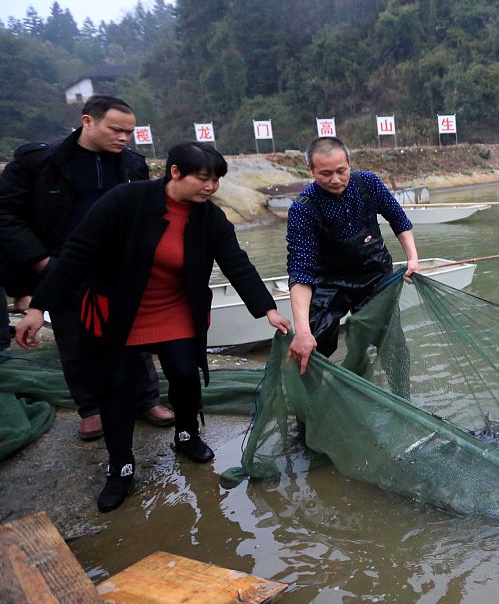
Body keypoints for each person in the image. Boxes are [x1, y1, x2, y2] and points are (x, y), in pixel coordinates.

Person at [15, 142, 291, 512]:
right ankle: (121, 466)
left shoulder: (209, 217)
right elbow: (77, 253)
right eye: (203, 178)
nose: (211, 187)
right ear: (175, 172)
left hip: (175, 307)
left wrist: (267, 309)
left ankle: (187, 434)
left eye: (216, 180)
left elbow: (235, 262)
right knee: (117, 385)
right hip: (120, 310)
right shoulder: (125, 201)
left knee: (185, 374)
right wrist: (38, 307)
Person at [0, 95, 171, 439]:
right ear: (88, 121)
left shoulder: (131, 165)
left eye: (129, 132)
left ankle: (146, 399)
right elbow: (6, 214)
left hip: (119, 265)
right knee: (73, 338)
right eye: (115, 129)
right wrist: (41, 260)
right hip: (61, 263)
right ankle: (91, 408)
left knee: (134, 333)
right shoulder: (39, 163)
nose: (123, 138)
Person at [286, 137, 419, 373]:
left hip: (374, 274)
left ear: (349, 163)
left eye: (341, 171)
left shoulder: (368, 183)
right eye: (326, 173)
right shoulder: (303, 208)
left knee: (391, 344)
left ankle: (400, 391)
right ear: (311, 170)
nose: (335, 180)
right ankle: (313, 389)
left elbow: (398, 219)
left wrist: (413, 258)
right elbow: (300, 271)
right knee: (313, 344)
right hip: (328, 281)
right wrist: (302, 330)